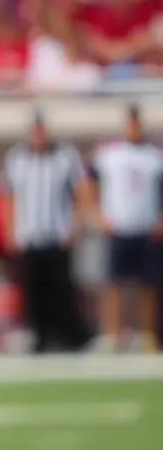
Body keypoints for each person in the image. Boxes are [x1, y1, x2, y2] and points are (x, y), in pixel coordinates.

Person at [1, 110, 92, 353]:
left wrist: (75, 224)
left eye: (42, 131)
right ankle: (38, 336)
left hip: (57, 233)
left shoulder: (65, 155)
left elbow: (81, 191)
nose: (39, 136)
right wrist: (10, 229)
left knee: (61, 289)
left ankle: (68, 336)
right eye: (35, 131)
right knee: (33, 290)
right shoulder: (16, 158)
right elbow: (8, 196)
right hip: (29, 233)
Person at [87, 103, 163, 353]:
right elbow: (88, 180)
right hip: (118, 227)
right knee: (112, 285)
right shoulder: (109, 154)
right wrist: (97, 214)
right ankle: (110, 336)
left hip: (145, 227)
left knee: (148, 286)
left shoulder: (154, 156)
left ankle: (146, 336)